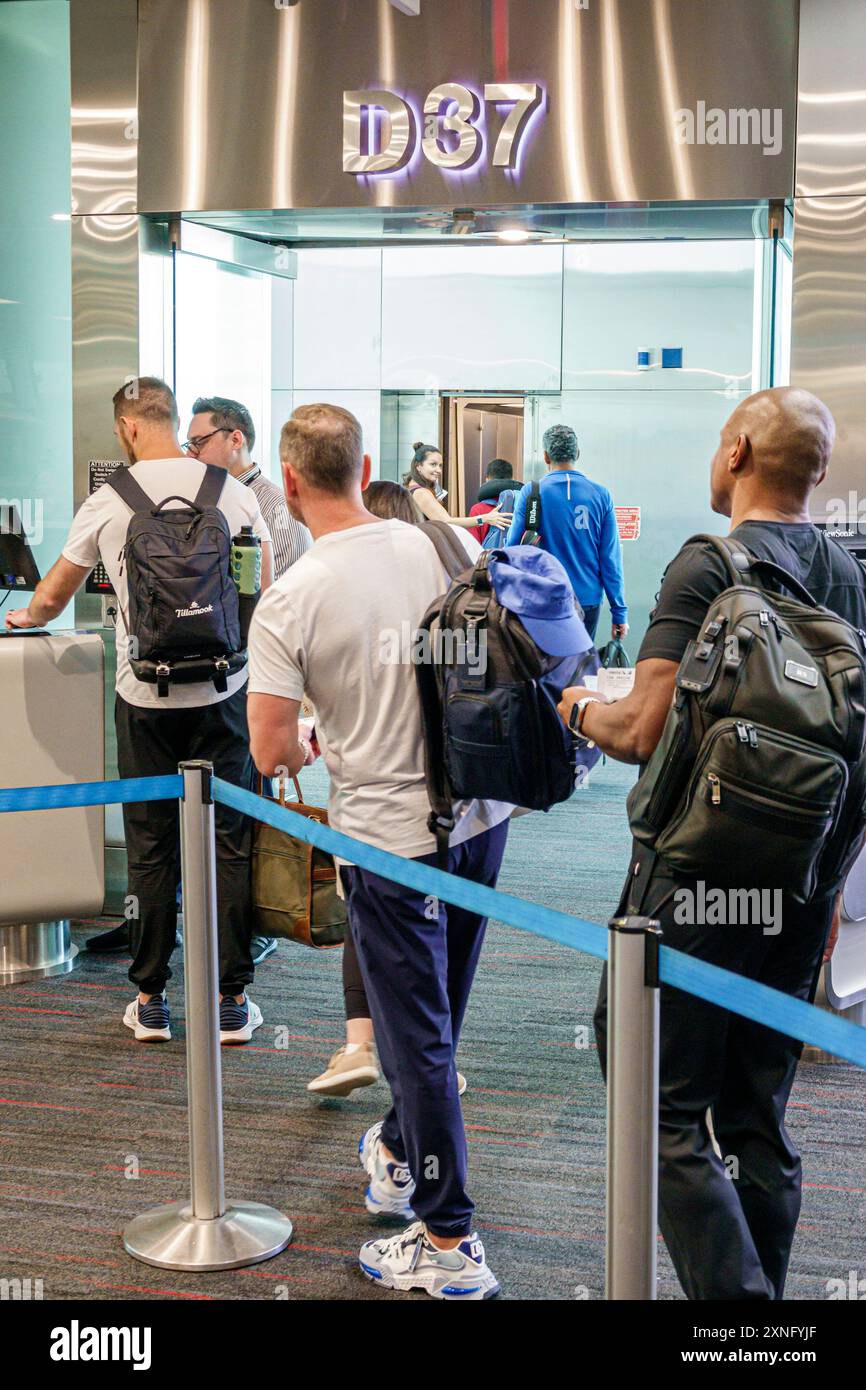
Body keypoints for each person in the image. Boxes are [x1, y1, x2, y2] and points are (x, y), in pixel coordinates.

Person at [557, 387, 866, 1300]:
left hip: (690, 887)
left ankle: (744, 1329)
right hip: (802, 890)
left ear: (735, 453)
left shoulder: (709, 565)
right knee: (756, 1113)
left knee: (659, 1105)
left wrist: (575, 706)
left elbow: (643, 730)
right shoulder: (853, 575)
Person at [247, 404, 512, 1299]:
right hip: (481, 819)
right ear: (365, 469)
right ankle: (401, 1150)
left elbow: (272, 749)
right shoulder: (442, 546)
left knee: (419, 1037)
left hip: (389, 841)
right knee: (433, 1026)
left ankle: (448, 1243)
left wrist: (321, 737)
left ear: (289, 483)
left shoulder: (293, 595)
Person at [6, 377, 273, 1045]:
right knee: (230, 842)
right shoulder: (230, 493)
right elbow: (259, 590)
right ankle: (231, 1002)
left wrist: (27, 615)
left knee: (153, 848)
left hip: (144, 697)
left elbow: (53, 596)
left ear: (127, 428)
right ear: (173, 420)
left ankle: (152, 999)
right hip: (222, 691)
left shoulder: (109, 501)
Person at [306, 477, 468, 1100]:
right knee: (432, 940)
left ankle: (361, 1045)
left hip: (379, 809)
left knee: (372, 921)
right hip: (466, 803)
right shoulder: (445, 560)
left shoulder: (339, 583)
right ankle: (431, 1062)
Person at [505, 423, 628, 643]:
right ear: (577, 454)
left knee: (544, 665)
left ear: (545, 456)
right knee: (579, 666)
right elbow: (610, 558)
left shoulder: (531, 493)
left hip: (543, 595)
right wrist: (619, 612)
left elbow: (512, 548)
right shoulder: (601, 495)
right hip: (588, 598)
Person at [404, 442, 512, 535]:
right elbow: (447, 522)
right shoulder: (421, 492)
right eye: (433, 464)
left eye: (440, 465)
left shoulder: (414, 487)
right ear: (418, 466)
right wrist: (485, 519)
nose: (439, 470)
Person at [469, 458, 515, 543]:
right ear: (512, 479)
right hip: (514, 555)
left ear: (487, 479)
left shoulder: (477, 510)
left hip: (488, 555)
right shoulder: (519, 505)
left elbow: (474, 545)